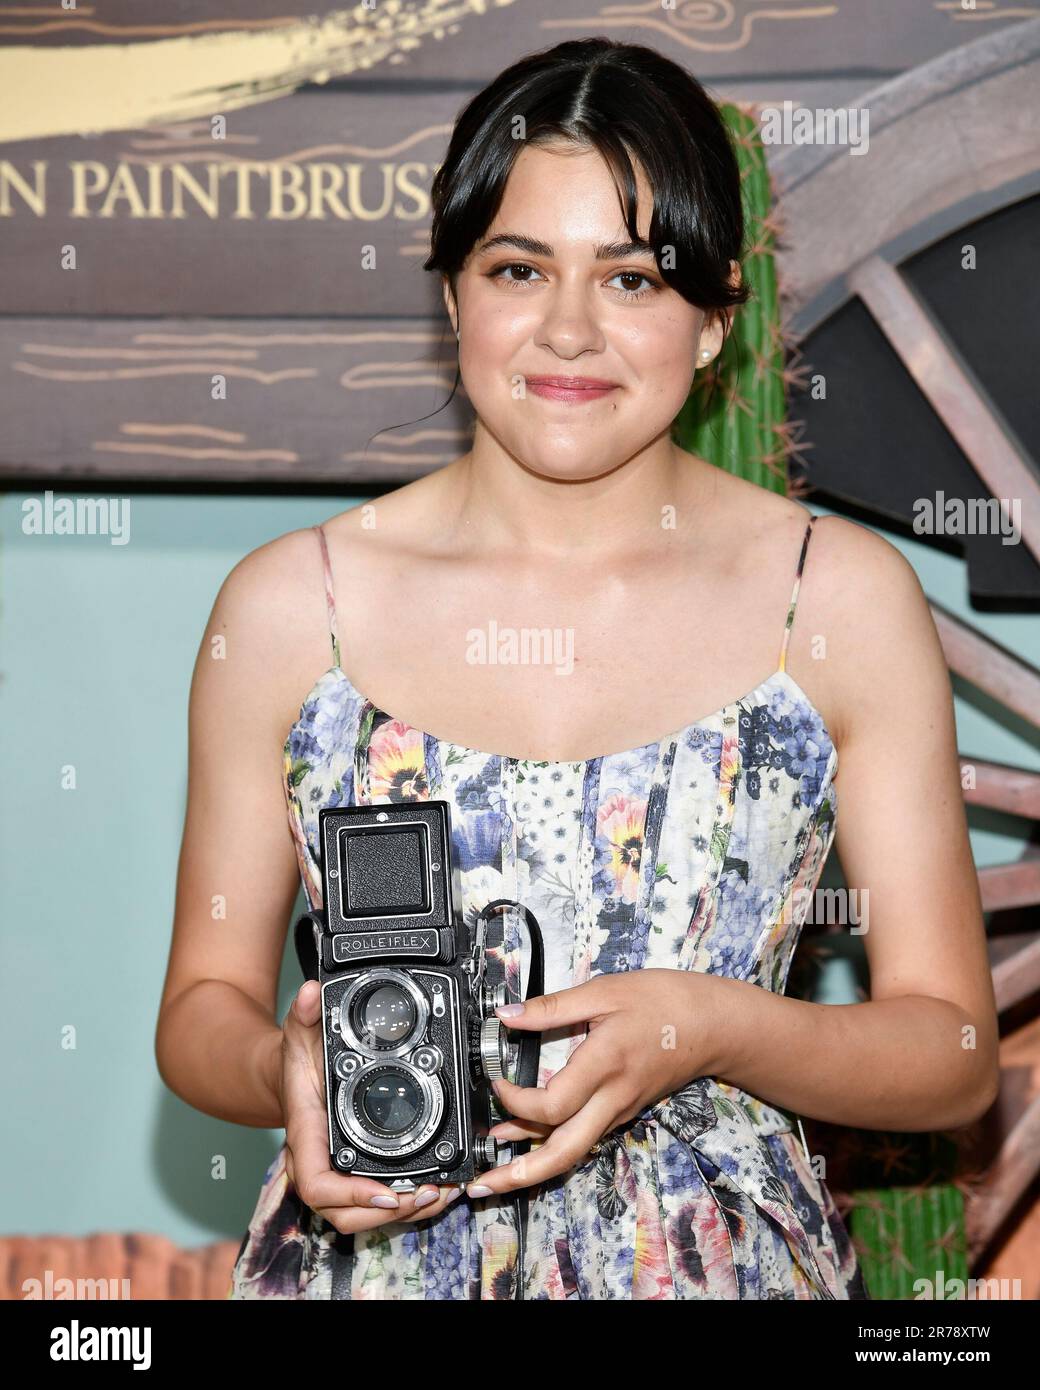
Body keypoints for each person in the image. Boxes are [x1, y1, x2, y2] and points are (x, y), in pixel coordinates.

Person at [155, 37, 999, 1300]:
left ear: (716, 320)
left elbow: (950, 1048)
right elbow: (200, 1009)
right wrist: (292, 1067)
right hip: (369, 1261)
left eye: (632, 280)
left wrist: (705, 1027)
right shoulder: (289, 611)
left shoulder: (832, 600)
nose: (567, 329)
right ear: (451, 296)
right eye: (517, 267)